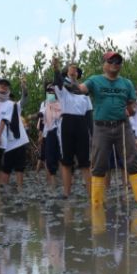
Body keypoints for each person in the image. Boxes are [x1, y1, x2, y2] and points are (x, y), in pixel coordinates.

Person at [67, 52, 137, 206]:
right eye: (111, 61)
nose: (114, 64)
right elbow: (78, 89)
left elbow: (132, 105)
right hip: (101, 127)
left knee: (132, 163)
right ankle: (96, 204)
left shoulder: (127, 83)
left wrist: (130, 110)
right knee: (98, 165)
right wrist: (72, 77)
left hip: (123, 126)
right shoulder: (95, 80)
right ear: (104, 64)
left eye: (118, 61)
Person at [52, 57, 93, 198]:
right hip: (67, 123)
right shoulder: (62, 88)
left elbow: (89, 114)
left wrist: (93, 133)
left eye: (76, 69)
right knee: (66, 161)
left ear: (78, 74)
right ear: (67, 73)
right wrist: (56, 69)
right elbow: (58, 81)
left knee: (85, 162)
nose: (74, 70)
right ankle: (66, 193)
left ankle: (91, 194)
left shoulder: (84, 92)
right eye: (71, 68)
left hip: (82, 124)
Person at [0, 78, 31, 193]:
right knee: (5, 167)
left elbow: (24, 99)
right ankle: (2, 189)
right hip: (4, 143)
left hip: (19, 140)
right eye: (1, 84)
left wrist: (24, 88)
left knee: (20, 167)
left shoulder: (15, 106)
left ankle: (20, 189)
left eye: (6, 85)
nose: (9, 99)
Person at [38, 83, 62, 189]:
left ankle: (66, 180)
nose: (50, 92)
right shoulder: (45, 103)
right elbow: (42, 115)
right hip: (49, 132)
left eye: (52, 90)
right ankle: (52, 183)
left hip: (61, 132)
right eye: (48, 91)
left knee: (62, 157)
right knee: (49, 157)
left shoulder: (62, 101)